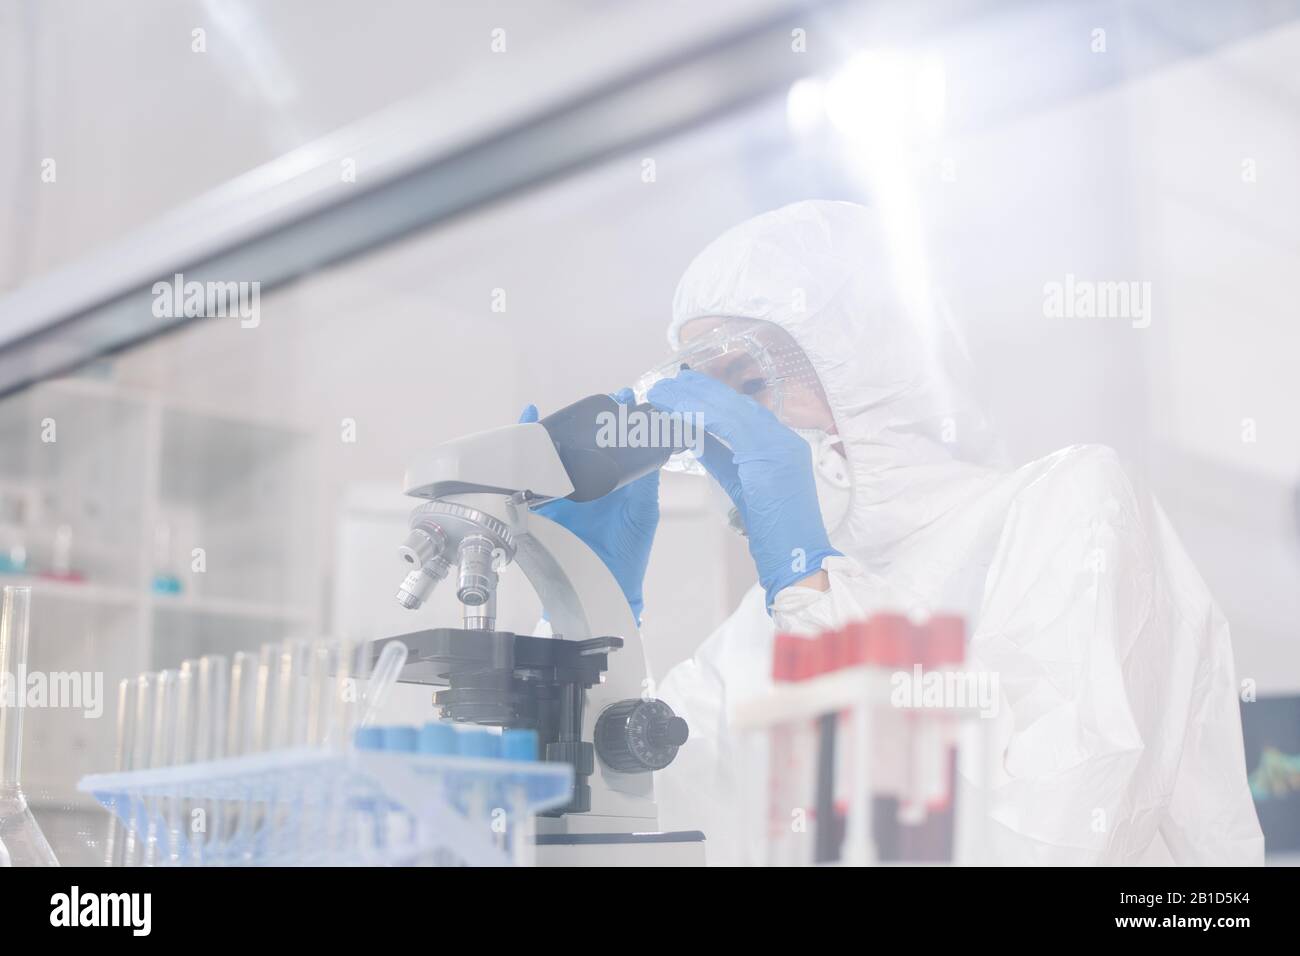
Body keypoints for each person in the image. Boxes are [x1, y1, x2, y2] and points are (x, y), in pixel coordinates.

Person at [532, 199, 1263, 866]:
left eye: (752, 385)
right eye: (708, 404)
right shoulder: (763, 629)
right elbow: (634, 825)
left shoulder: (1067, 508)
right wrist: (583, 613)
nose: (732, 436)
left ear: (869, 365)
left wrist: (812, 594)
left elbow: (1057, 838)